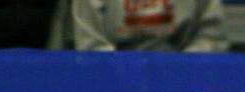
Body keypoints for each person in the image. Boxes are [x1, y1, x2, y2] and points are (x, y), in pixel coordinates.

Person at [49, 0, 227, 52]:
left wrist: (180, 68)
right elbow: (91, 45)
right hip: (114, 83)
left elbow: (210, 36)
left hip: (181, 78)